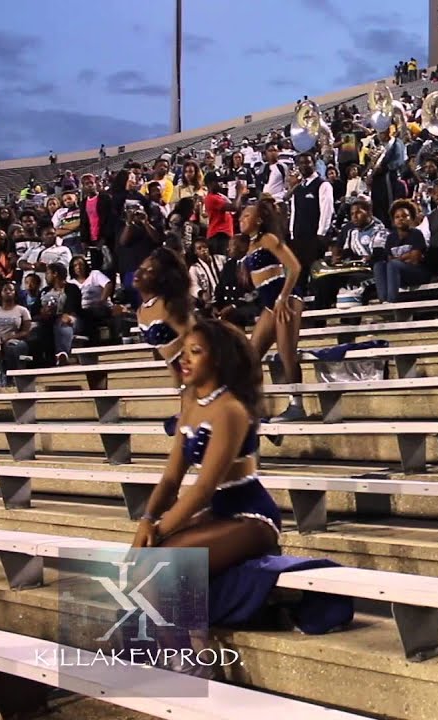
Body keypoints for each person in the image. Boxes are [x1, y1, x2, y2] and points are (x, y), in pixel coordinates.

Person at [130, 319, 281, 577]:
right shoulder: (191, 408)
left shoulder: (230, 410)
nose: (184, 359)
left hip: (252, 516)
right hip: (217, 513)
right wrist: (147, 520)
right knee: (147, 557)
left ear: (218, 359)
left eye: (196, 352)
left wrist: (158, 530)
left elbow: (203, 488)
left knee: (159, 560)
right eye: (184, 351)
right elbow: (170, 480)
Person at [241, 199, 306, 422]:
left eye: (247, 216)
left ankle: (297, 406)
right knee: (251, 356)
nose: (241, 219)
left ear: (259, 220)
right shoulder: (249, 245)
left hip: (285, 298)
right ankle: (257, 408)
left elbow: (294, 267)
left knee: (286, 352)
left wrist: (283, 297)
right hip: (269, 302)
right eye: (241, 216)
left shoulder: (268, 238)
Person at [135, 247, 194, 382]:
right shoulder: (140, 311)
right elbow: (167, 355)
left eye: (149, 271)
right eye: (140, 268)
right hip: (179, 375)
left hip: (198, 372)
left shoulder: (170, 306)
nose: (139, 273)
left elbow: (195, 339)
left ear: (160, 279)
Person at [288, 153, 334, 308]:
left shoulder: (323, 185)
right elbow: (294, 212)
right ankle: (300, 309)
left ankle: (320, 309)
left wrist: (321, 233)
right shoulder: (298, 188)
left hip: (315, 237)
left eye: (307, 162)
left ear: (314, 164)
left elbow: (327, 210)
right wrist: (292, 233)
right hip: (299, 238)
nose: (304, 166)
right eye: (301, 163)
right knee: (299, 275)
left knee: (317, 275)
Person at [375, 200, 431, 302]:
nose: (401, 219)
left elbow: (415, 260)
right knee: (379, 266)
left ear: (411, 218)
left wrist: (398, 260)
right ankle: (383, 301)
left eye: (405, 216)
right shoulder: (391, 238)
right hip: (398, 274)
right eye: (397, 217)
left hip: (417, 273)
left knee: (393, 265)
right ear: (393, 221)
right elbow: (389, 259)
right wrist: (406, 256)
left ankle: (392, 301)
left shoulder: (416, 234)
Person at [0, 280, 32, 386]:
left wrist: (9, 337)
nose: (8, 292)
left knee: (11, 347)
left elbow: (26, 332)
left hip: (16, 341)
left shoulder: (22, 310)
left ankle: (12, 381)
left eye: (11, 290)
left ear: (15, 293)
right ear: (0, 292)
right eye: (5, 290)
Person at [40, 262, 82, 365]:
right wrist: (42, 312)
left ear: (55, 274)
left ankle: (62, 354)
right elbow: (35, 310)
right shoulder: (45, 291)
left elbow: (72, 308)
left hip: (71, 319)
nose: (45, 277)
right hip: (48, 320)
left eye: (47, 273)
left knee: (63, 322)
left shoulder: (72, 288)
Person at [188, 237, 228, 310]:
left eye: (205, 247)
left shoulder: (221, 259)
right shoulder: (194, 268)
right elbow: (193, 285)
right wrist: (201, 293)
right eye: (199, 248)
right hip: (209, 301)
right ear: (195, 252)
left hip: (226, 296)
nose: (203, 250)